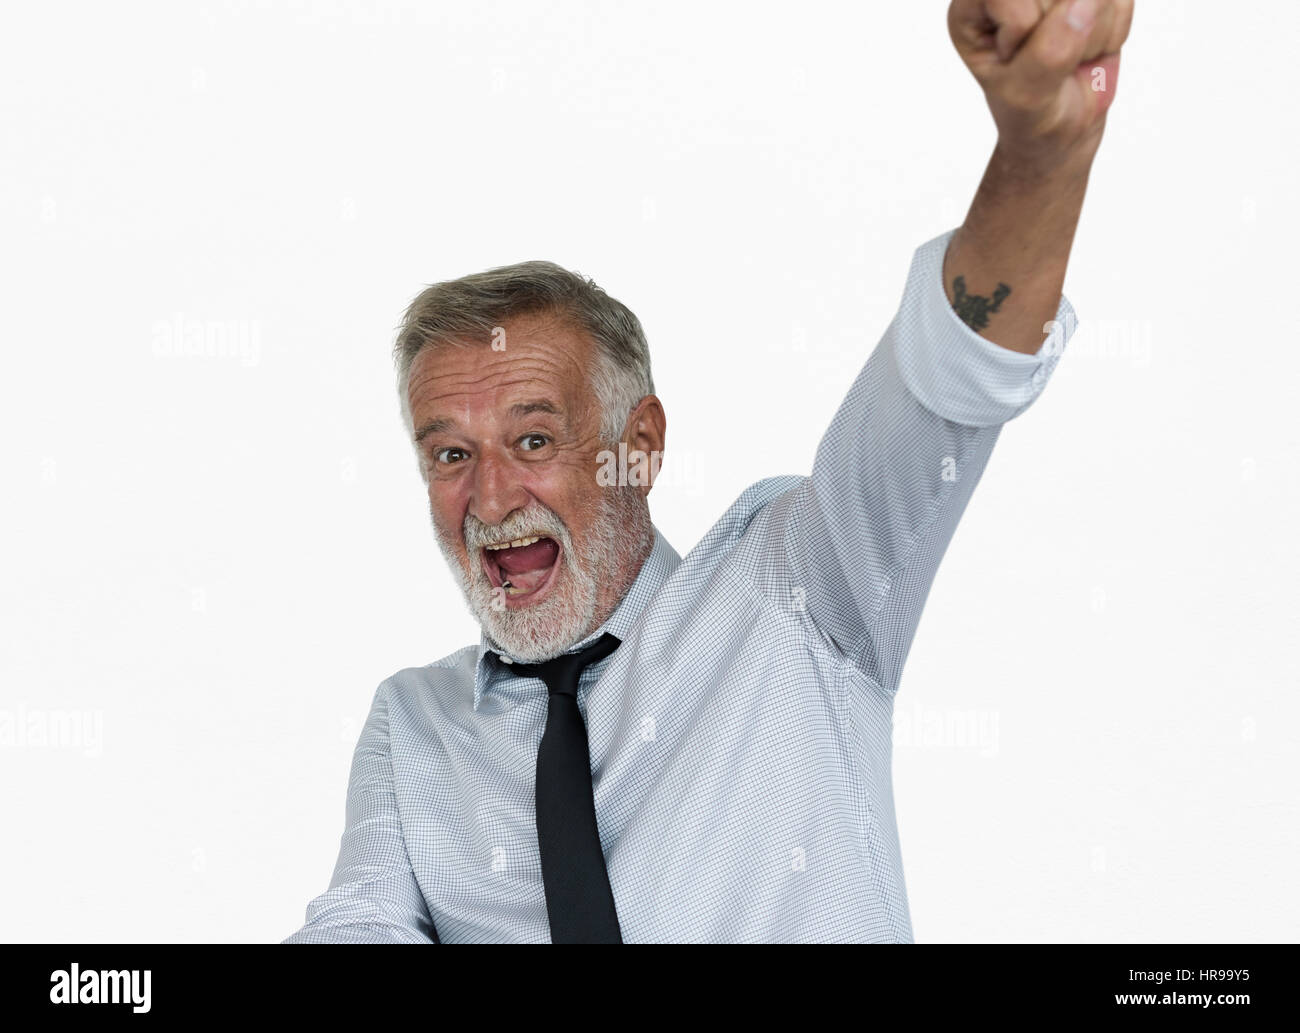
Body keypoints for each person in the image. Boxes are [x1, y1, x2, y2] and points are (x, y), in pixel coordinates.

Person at [284, 0, 1134, 943]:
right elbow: (356, 925)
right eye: (450, 453)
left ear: (637, 445)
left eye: (533, 440)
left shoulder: (795, 597)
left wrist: (1042, 154)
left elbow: (940, 388)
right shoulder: (414, 725)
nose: (489, 498)